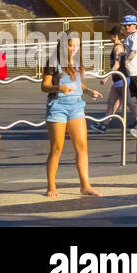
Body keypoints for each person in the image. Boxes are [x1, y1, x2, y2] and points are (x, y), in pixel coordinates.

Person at [42, 34, 102, 197]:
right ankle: (51, 186)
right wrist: (59, 88)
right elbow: (45, 86)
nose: (74, 48)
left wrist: (88, 91)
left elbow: (77, 83)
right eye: (71, 45)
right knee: (57, 148)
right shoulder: (53, 62)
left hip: (76, 106)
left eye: (77, 45)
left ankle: (85, 185)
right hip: (58, 107)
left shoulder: (76, 62)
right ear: (63, 46)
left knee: (82, 146)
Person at [92, 25, 127, 134]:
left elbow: (116, 64)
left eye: (111, 35)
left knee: (129, 103)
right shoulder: (117, 47)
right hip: (118, 79)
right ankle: (105, 124)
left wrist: (106, 77)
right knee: (112, 102)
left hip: (122, 78)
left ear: (115, 36)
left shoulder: (118, 48)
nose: (110, 37)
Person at [120, 14, 137, 132]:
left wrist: (127, 61)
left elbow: (134, 51)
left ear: (134, 25)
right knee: (132, 97)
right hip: (129, 71)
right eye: (125, 25)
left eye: (128, 25)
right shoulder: (129, 37)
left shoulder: (136, 36)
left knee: (135, 98)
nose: (126, 28)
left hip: (135, 71)